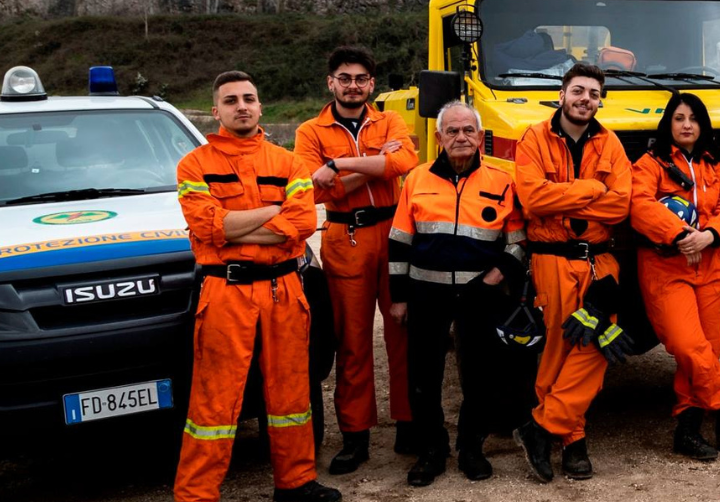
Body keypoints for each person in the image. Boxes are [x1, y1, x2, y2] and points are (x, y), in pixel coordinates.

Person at [174, 71, 340, 502]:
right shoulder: (194, 165)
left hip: (284, 288)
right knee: (214, 399)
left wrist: (231, 229)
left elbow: (302, 223)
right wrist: (272, 211)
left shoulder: (288, 162)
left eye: (248, 98)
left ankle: (295, 482)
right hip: (225, 292)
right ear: (216, 111)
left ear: (260, 106)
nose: (242, 106)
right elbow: (207, 226)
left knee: (292, 391)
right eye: (231, 101)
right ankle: (197, 494)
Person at [387, 102, 528, 486]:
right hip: (425, 293)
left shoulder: (502, 181)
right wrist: (399, 298)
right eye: (452, 131)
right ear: (439, 138)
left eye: (468, 130)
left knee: (480, 375)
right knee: (424, 376)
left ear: (480, 137)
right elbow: (399, 242)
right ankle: (431, 451)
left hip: (479, 295)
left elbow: (517, 242)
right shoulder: (416, 179)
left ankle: (471, 449)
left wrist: (494, 278)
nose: (461, 137)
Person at [294, 46, 419, 474]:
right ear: (331, 82)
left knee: (404, 331)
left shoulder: (390, 119)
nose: (353, 86)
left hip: (395, 233)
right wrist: (374, 163)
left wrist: (339, 165)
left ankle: (409, 423)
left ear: (372, 84)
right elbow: (315, 190)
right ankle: (355, 434)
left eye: (361, 78)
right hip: (345, 237)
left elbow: (404, 161)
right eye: (345, 78)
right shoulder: (310, 131)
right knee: (352, 340)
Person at [513, 63, 634, 482]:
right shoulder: (534, 138)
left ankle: (542, 427)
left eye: (594, 94)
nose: (586, 99)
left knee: (599, 343)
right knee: (559, 349)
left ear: (600, 100)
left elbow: (620, 206)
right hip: (553, 258)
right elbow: (532, 199)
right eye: (579, 91)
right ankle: (573, 441)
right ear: (562, 94)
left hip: (601, 262)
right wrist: (592, 189)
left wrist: (562, 197)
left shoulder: (610, 143)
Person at [629, 93, 720, 460]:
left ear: (703, 125)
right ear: (668, 124)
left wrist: (709, 236)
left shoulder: (714, 165)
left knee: (706, 350)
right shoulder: (650, 164)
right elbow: (639, 205)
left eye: (693, 118)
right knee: (688, 345)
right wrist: (679, 235)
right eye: (679, 118)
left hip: (713, 263)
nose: (687, 125)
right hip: (667, 267)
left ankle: (687, 429)